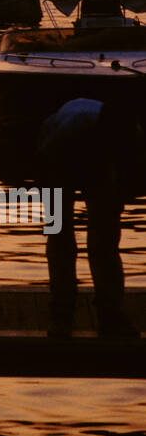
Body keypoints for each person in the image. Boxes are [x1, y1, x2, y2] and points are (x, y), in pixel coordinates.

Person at [35, 97, 143, 339]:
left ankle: (110, 314)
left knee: (105, 242)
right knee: (59, 237)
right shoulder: (65, 135)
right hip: (56, 159)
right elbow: (47, 171)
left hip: (99, 166)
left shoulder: (132, 136)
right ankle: (61, 314)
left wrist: (115, 201)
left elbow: (130, 178)